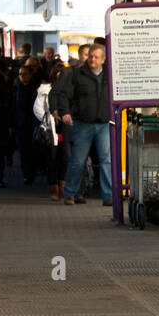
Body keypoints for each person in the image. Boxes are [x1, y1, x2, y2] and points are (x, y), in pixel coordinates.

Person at [53, 42, 112, 206]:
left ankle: (108, 196)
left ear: (103, 59)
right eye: (90, 56)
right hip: (83, 123)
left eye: (95, 57)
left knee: (106, 160)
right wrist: (64, 111)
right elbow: (64, 95)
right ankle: (70, 193)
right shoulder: (77, 74)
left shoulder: (109, 75)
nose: (92, 59)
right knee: (78, 161)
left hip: (103, 124)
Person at [35, 61, 67, 201]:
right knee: (53, 160)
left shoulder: (70, 89)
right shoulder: (45, 90)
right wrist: (47, 120)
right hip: (52, 129)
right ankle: (53, 189)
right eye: (58, 76)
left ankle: (64, 187)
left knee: (65, 158)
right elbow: (37, 108)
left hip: (65, 129)